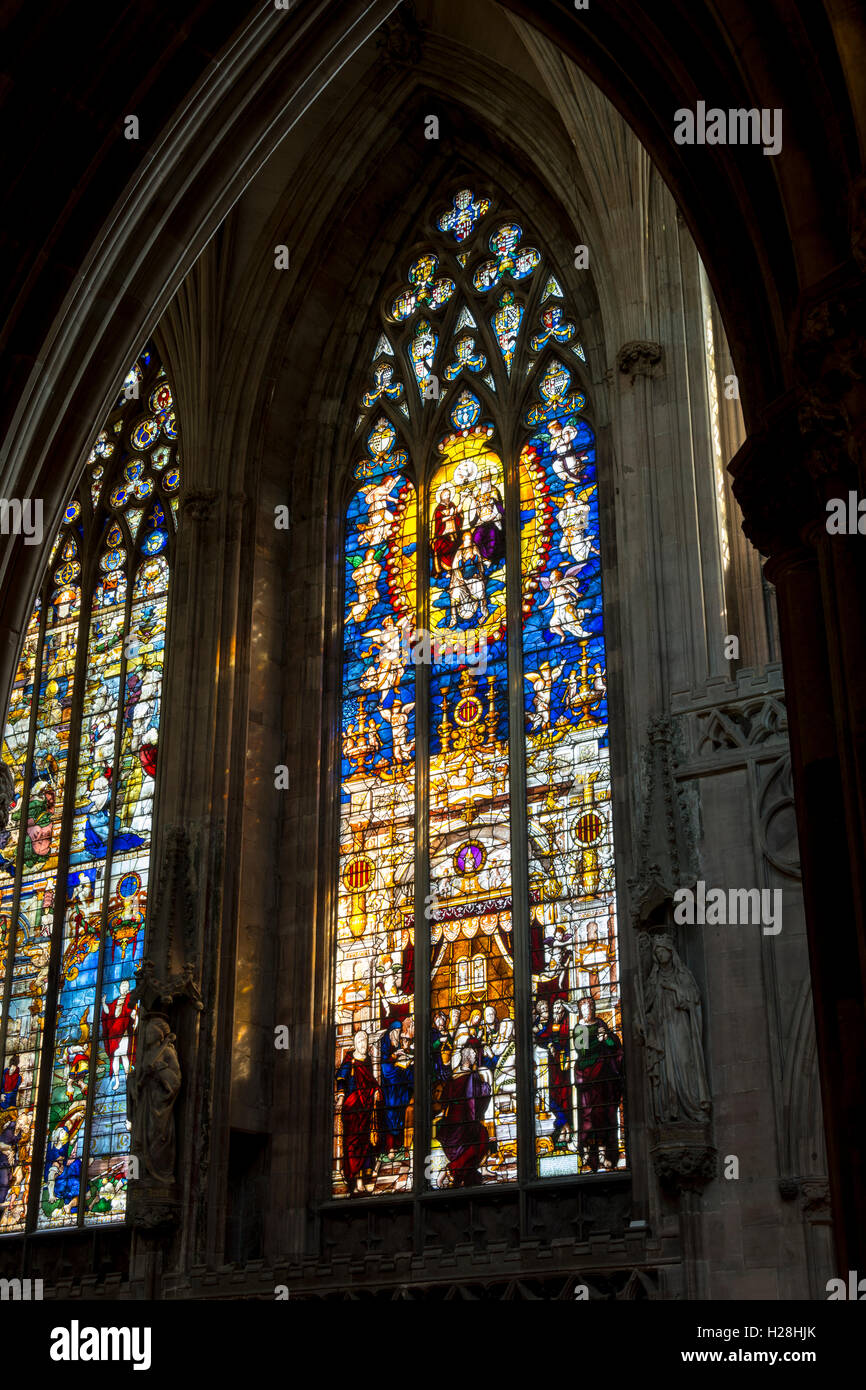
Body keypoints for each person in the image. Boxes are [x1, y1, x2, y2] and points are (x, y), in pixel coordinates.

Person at [573, 1002, 624, 1171]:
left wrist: (607, 1038)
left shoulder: (601, 1024)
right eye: (586, 1008)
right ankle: (589, 1155)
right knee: (588, 1116)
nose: (589, 1011)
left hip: (604, 1080)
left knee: (605, 1115)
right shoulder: (579, 1028)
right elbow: (583, 1051)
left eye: (591, 1007)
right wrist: (599, 1040)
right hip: (587, 1080)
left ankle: (606, 1154)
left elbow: (614, 1046)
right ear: (581, 1011)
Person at [434, 1044, 491, 1187]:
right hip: (465, 1117)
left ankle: (461, 1174)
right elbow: (479, 1094)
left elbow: (444, 1098)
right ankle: (451, 1170)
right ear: (470, 1058)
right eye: (473, 1057)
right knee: (481, 1137)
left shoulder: (453, 1074)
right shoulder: (472, 1076)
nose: (474, 1061)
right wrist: (487, 1086)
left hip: (452, 1117)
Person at [335, 1029, 381, 1195]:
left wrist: (376, 1090)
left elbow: (371, 1082)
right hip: (352, 1110)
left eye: (366, 1041)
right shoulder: (349, 1061)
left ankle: (362, 1181)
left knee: (365, 1146)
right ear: (355, 1044)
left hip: (366, 1110)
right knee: (353, 1146)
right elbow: (341, 1079)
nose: (364, 1044)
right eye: (361, 1041)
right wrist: (340, 1098)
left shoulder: (366, 1061)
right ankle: (354, 1181)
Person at [380, 1017, 413, 1157]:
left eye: (400, 1032)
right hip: (389, 1088)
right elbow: (385, 1067)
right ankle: (390, 1148)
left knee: (400, 1111)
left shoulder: (395, 1043)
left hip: (398, 1086)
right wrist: (394, 1057)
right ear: (391, 1032)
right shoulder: (385, 1044)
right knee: (391, 1113)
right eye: (397, 1031)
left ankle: (399, 1144)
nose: (398, 1035)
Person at [101, 980, 138, 1091]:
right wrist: (103, 1003)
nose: (123, 988)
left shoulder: (129, 1000)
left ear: (128, 988)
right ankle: (117, 1081)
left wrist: (136, 1019)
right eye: (122, 985)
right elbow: (108, 1012)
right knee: (115, 1057)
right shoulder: (115, 1001)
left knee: (124, 1055)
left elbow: (132, 1013)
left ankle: (127, 1079)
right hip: (113, 1034)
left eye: (125, 986)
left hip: (124, 1034)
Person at [448, 531, 489, 626]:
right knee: (454, 594)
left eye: (469, 539)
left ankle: (484, 614)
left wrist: (480, 573)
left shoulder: (475, 548)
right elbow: (455, 567)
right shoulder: (460, 551)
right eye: (466, 539)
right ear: (463, 540)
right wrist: (460, 578)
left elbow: (479, 563)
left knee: (481, 593)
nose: (468, 541)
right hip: (462, 579)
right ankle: (453, 618)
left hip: (474, 578)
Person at [432, 487, 462, 575]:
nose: (447, 497)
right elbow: (438, 521)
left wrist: (461, 502)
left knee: (460, 544)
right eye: (445, 495)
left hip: (454, 532)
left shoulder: (452, 504)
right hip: (443, 534)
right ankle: (446, 570)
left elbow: (458, 514)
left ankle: (458, 567)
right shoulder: (438, 509)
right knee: (442, 547)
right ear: (441, 496)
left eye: (449, 495)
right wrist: (450, 515)